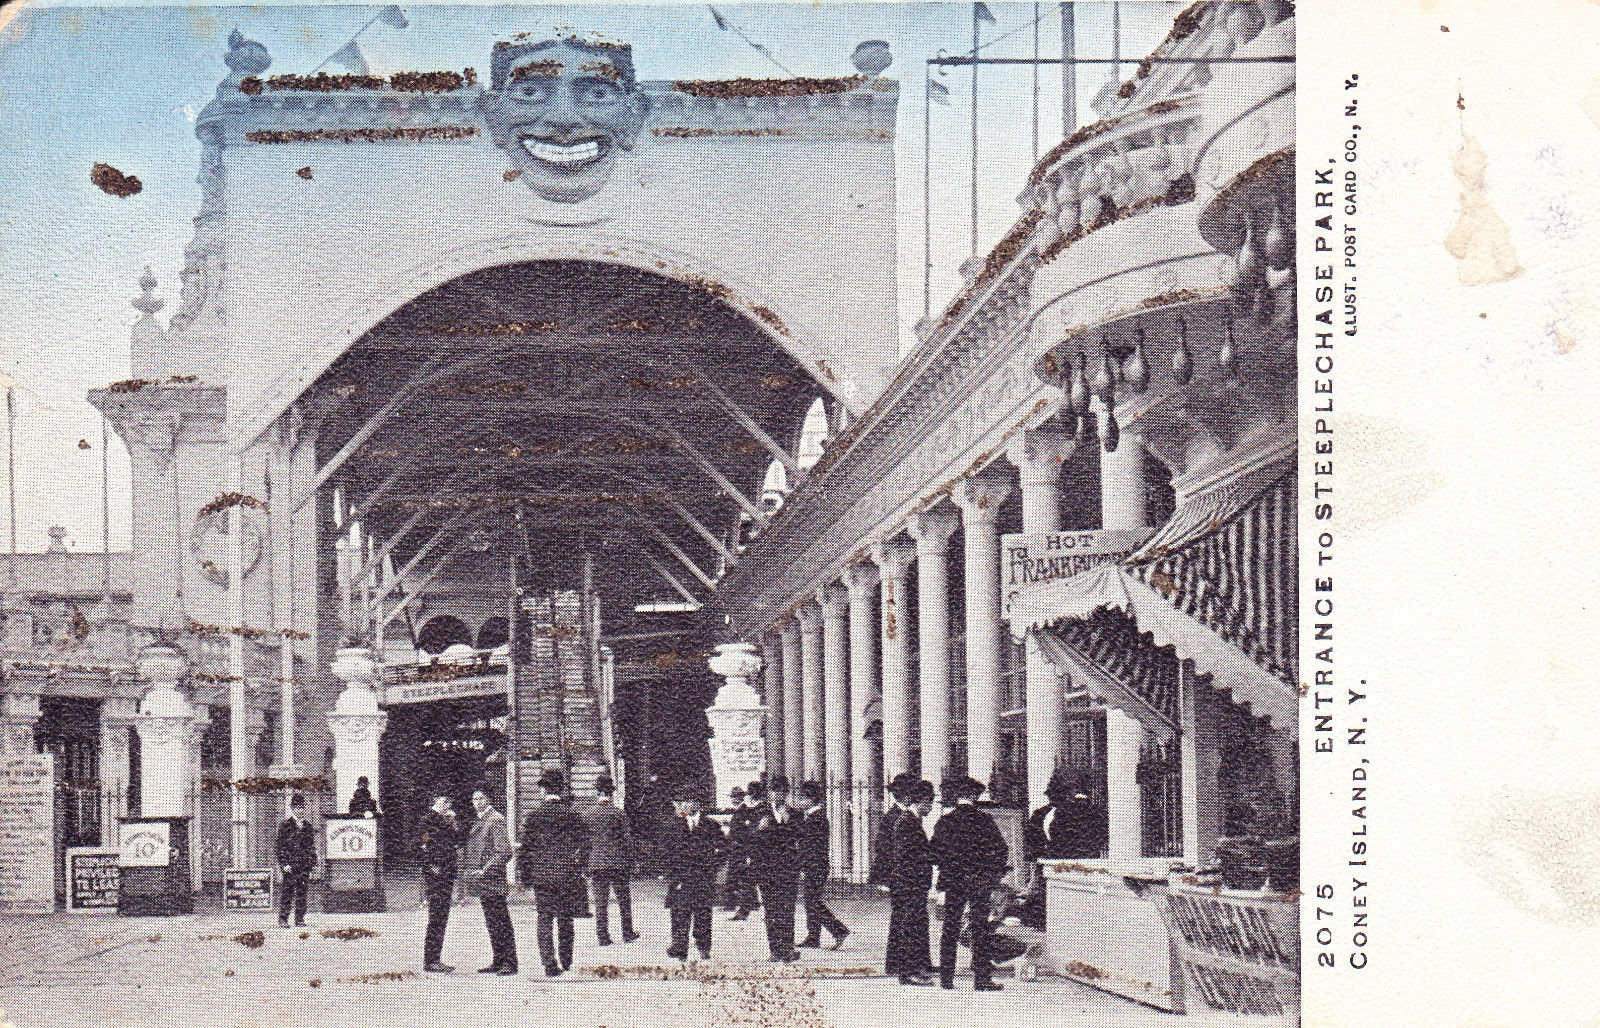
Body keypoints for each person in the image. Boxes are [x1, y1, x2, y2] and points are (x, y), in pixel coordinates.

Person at [930, 776, 1009, 991]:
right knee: (980, 929)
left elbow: (934, 853)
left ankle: (946, 979)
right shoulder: (984, 820)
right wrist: (992, 874)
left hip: (953, 882)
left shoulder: (945, 822)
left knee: (950, 928)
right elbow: (1001, 851)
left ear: (956, 796)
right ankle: (981, 979)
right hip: (979, 882)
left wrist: (948, 868)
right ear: (975, 796)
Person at [518, 770, 590, 977]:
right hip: (567, 874)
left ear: (543, 790)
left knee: (544, 918)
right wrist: (580, 866)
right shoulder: (572, 814)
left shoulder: (534, 816)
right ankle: (567, 959)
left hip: (542, 876)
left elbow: (525, 849)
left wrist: (525, 877)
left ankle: (549, 963)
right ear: (560, 789)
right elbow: (586, 843)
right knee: (565, 918)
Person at [874, 777, 937, 985]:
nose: (931, 807)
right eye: (931, 802)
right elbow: (907, 855)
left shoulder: (907, 819)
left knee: (911, 922)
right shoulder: (906, 821)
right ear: (922, 801)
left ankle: (912, 966)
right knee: (908, 924)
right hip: (909, 882)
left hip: (909, 881)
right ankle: (907, 970)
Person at [661, 785, 725, 960]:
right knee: (679, 913)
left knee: (703, 914)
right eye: (681, 802)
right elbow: (665, 852)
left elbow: (724, 849)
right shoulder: (674, 825)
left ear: (697, 803)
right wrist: (670, 873)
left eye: (687, 802)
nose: (683, 806)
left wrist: (713, 868)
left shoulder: (711, 825)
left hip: (703, 877)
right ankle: (680, 947)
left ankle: (704, 947)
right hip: (681, 878)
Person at [463, 788, 517, 975]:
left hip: (492, 880)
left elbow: (504, 851)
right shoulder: (481, 819)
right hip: (484, 881)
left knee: (500, 921)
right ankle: (498, 959)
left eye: (481, 798)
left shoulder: (495, 820)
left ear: (488, 799)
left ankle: (509, 962)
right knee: (492, 922)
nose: (477, 802)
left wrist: (484, 870)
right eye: (474, 798)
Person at [582, 774, 639, 946]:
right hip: (618, 862)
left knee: (600, 901)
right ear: (611, 793)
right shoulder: (618, 814)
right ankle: (627, 933)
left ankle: (603, 936)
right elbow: (627, 841)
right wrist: (632, 861)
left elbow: (584, 842)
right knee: (624, 900)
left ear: (596, 791)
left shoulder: (587, 815)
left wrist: (585, 864)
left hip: (597, 863)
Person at [749, 774, 801, 962]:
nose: (779, 795)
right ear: (769, 792)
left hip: (788, 869)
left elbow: (801, 837)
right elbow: (749, 839)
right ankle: (775, 949)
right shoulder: (759, 813)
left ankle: (787, 948)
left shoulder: (794, 814)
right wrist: (759, 829)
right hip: (767, 869)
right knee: (771, 910)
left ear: (786, 793)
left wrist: (789, 823)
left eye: (782, 791)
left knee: (787, 910)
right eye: (775, 791)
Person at [794, 780, 849, 949]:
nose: (800, 802)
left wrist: (803, 866)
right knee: (812, 900)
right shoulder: (813, 816)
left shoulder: (816, 818)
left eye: (802, 798)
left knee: (813, 902)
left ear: (811, 799)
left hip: (815, 865)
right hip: (815, 865)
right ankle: (813, 937)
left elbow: (810, 846)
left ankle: (838, 930)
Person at [418, 793, 461, 972]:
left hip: (446, 873)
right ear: (435, 801)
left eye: (448, 801)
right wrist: (430, 865)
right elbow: (417, 845)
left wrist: (453, 822)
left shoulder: (445, 819)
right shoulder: (428, 820)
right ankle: (431, 960)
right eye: (443, 801)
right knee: (437, 917)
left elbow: (457, 840)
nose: (446, 805)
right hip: (437, 874)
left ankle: (435, 958)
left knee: (441, 916)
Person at [724, 782, 762, 919]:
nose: (735, 799)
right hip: (739, 848)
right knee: (744, 878)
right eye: (733, 797)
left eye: (738, 797)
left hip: (744, 849)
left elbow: (746, 831)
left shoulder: (747, 810)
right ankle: (746, 906)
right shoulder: (740, 810)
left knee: (743, 877)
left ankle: (741, 905)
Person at [276, 795, 315, 928]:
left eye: (301, 808)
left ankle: (299, 918)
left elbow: (311, 847)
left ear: (304, 809)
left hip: (303, 865)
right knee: (287, 892)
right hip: (290, 865)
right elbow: (280, 847)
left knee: (302, 893)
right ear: (292, 809)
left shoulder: (308, 826)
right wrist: (284, 864)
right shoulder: (285, 825)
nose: (299, 811)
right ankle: (283, 919)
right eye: (296, 808)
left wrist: (310, 865)